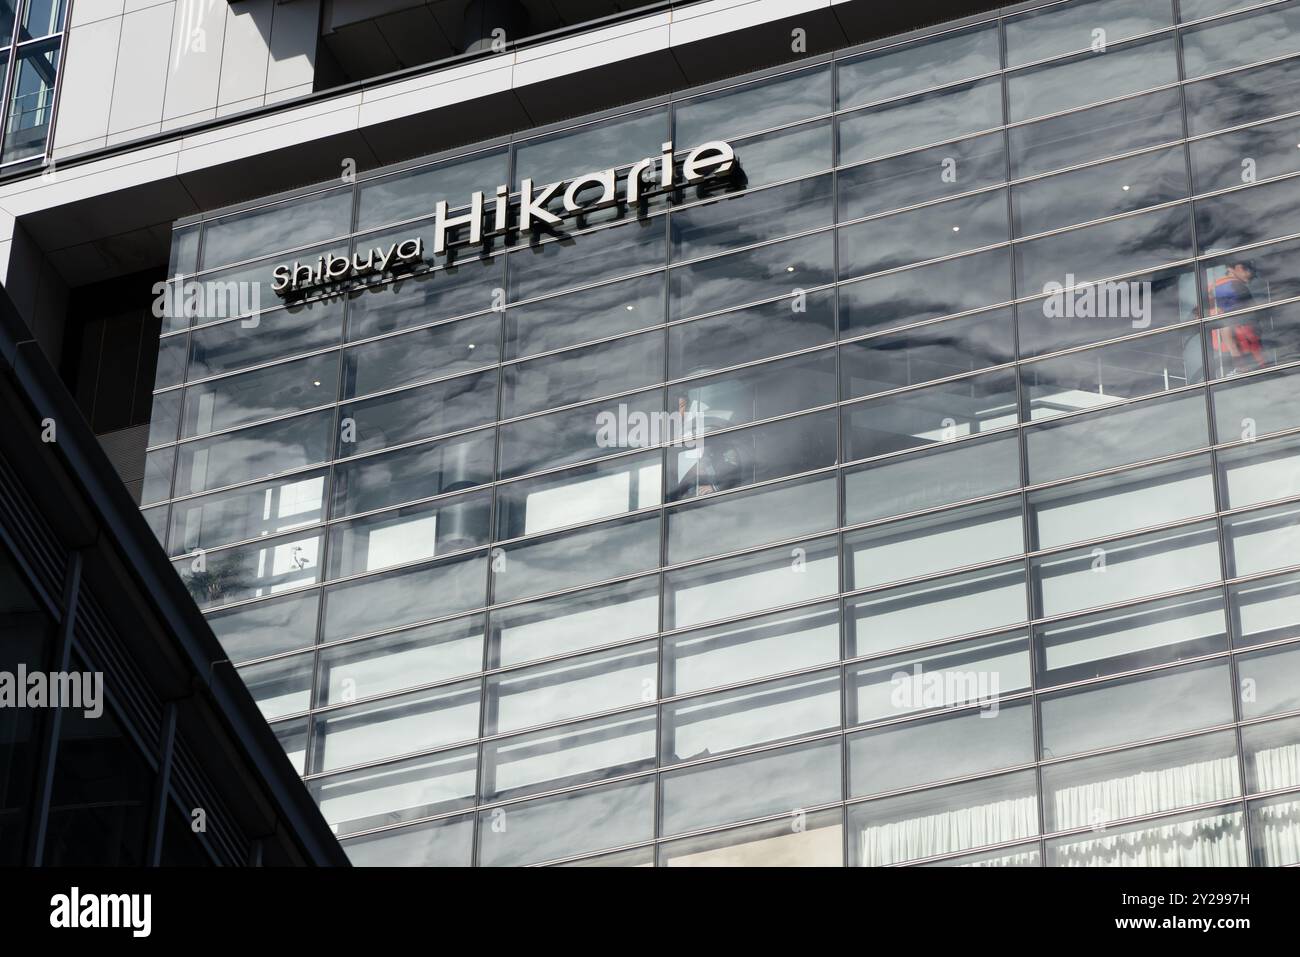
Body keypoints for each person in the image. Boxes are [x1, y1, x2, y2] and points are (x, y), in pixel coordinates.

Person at [1208, 260, 1267, 375]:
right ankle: (1243, 368)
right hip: (1243, 336)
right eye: (1248, 270)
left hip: (1234, 339)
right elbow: (1250, 311)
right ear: (1236, 268)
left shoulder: (1213, 286)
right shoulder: (1234, 285)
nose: (1251, 275)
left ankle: (1242, 368)